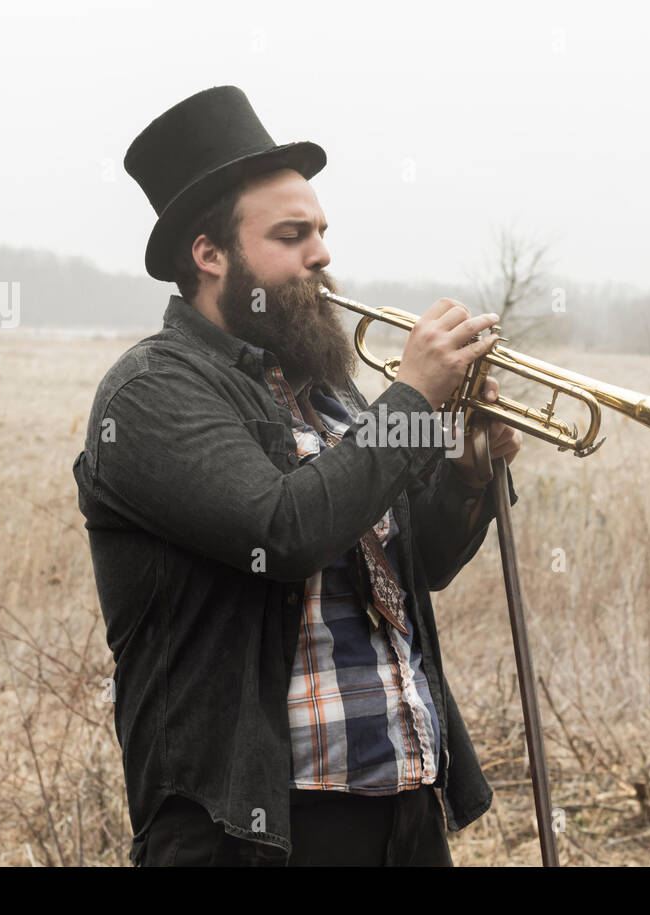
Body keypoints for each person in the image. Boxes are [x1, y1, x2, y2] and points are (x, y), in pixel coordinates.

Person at [73, 86, 521, 866]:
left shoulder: (332, 392)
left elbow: (418, 569)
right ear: (210, 255)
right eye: (291, 235)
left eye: (320, 230)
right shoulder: (152, 393)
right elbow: (281, 531)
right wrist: (413, 400)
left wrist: (467, 472)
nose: (321, 254)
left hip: (403, 809)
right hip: (257, 832)